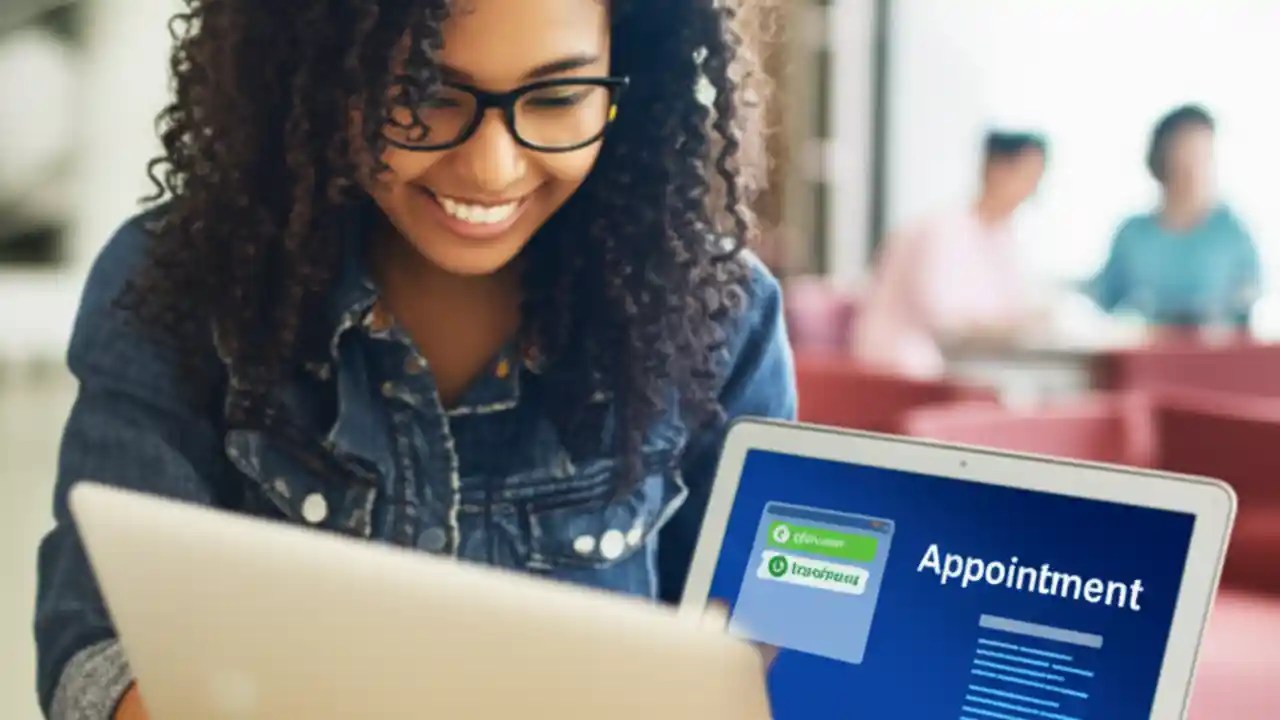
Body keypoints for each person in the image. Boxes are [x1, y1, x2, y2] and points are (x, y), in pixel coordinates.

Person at [33, 1, 796, 718]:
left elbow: (785, 655)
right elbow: (95, 656)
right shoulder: (180, 285)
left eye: (559, 97)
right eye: (424, 93)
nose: (493, 169)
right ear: (328, 76)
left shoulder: (719, 315)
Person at [854, 131, 1048, 378]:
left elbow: (1012, 308)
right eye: (1027, 177)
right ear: (994, 169)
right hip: (904, 365)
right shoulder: (939, 230)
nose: (1032, 192)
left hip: (958, 363)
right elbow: (945, 320)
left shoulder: (1003, 237)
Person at [1087, 104, 1261, 331]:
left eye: (1201, 154)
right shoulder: (1133, 234)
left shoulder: (1230, 231)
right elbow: (1103, 300)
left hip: (1215, 356)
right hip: (1148, 353)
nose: (1192, 166)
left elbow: (1247, 302)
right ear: (1160, 158)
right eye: (1184, 151)